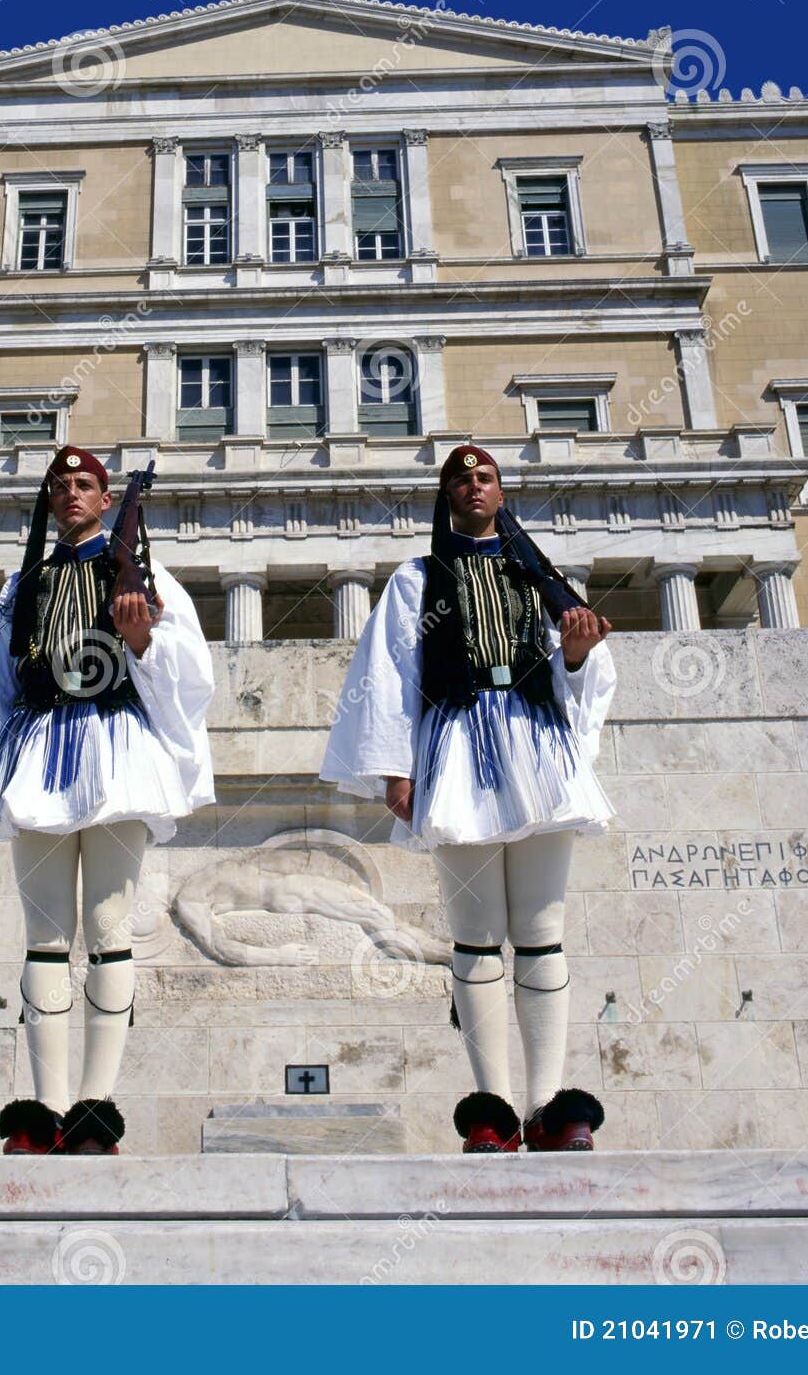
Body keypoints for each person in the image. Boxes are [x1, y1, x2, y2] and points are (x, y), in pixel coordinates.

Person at [320, 444, 618, 1153]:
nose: (473, 486)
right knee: (477, 934)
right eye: (461, 478)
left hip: (537, 746)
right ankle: (494, 1106)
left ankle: (547, 1105)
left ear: (501, 490)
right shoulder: (417, 579)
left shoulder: (540, 577)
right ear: (446, 492)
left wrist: (575, 654)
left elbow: (585, 672)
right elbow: (391, 673)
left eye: (485, 477)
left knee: (542, 928)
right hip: (456, 747)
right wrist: (397, 768)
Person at [0, 447, 215, 1156]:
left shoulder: (141, 573)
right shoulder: (23, 582)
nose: (69, 495)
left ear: (105, 493)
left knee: (108, 926)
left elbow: (192, 672)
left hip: (114, 748)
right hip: (36, 752)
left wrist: (142, 636)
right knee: (46, 936)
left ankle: (96, 1104)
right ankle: (48, 1105)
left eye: (83, 485)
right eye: (59, 487)